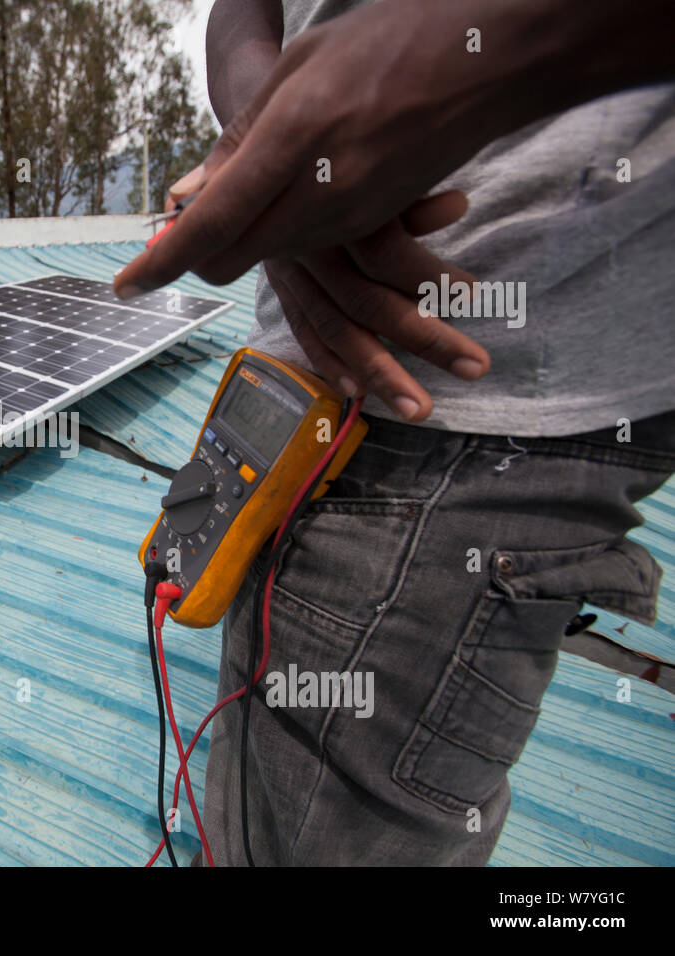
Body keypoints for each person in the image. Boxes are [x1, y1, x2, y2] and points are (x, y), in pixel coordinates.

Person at [115, 0, 675, 865]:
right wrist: (273, 130)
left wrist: (480, 45)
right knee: (254, 798)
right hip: (302, 380)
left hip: (469, 422)